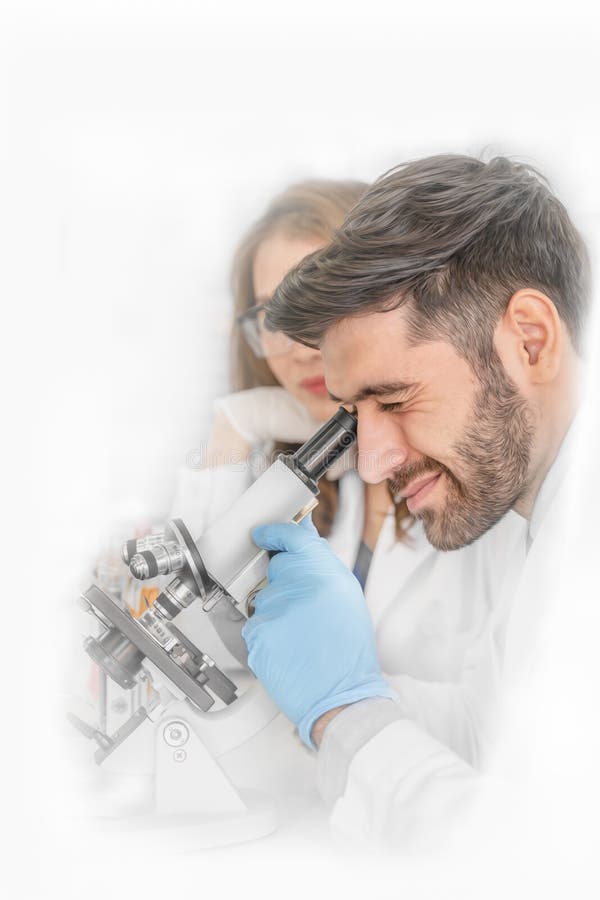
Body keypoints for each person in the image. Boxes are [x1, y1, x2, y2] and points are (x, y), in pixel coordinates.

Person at [241, 154, 591, 844]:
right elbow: (491, 729)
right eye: (354, 414)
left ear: (530, 340)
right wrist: (306, 690)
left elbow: (538, 863)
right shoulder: (550, 523)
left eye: (395, 399)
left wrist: (345, 714)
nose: (372, 463)